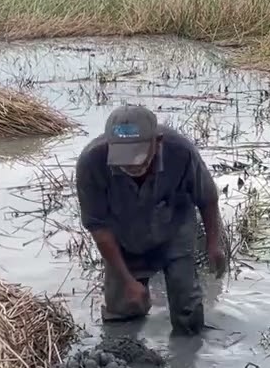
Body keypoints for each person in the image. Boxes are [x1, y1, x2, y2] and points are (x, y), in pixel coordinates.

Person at [75, 103, 228, 336]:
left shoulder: (181, 152)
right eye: (124, 158)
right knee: (122, 312)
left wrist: (213, 245)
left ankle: (188, 356)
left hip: (175, 230)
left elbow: (207, 198)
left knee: (187, 307)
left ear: (157, 142)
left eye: (138, 156)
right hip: (124, 237)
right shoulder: (91, 163)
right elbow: (98, 227)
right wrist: (127, 280)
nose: (132, 165)